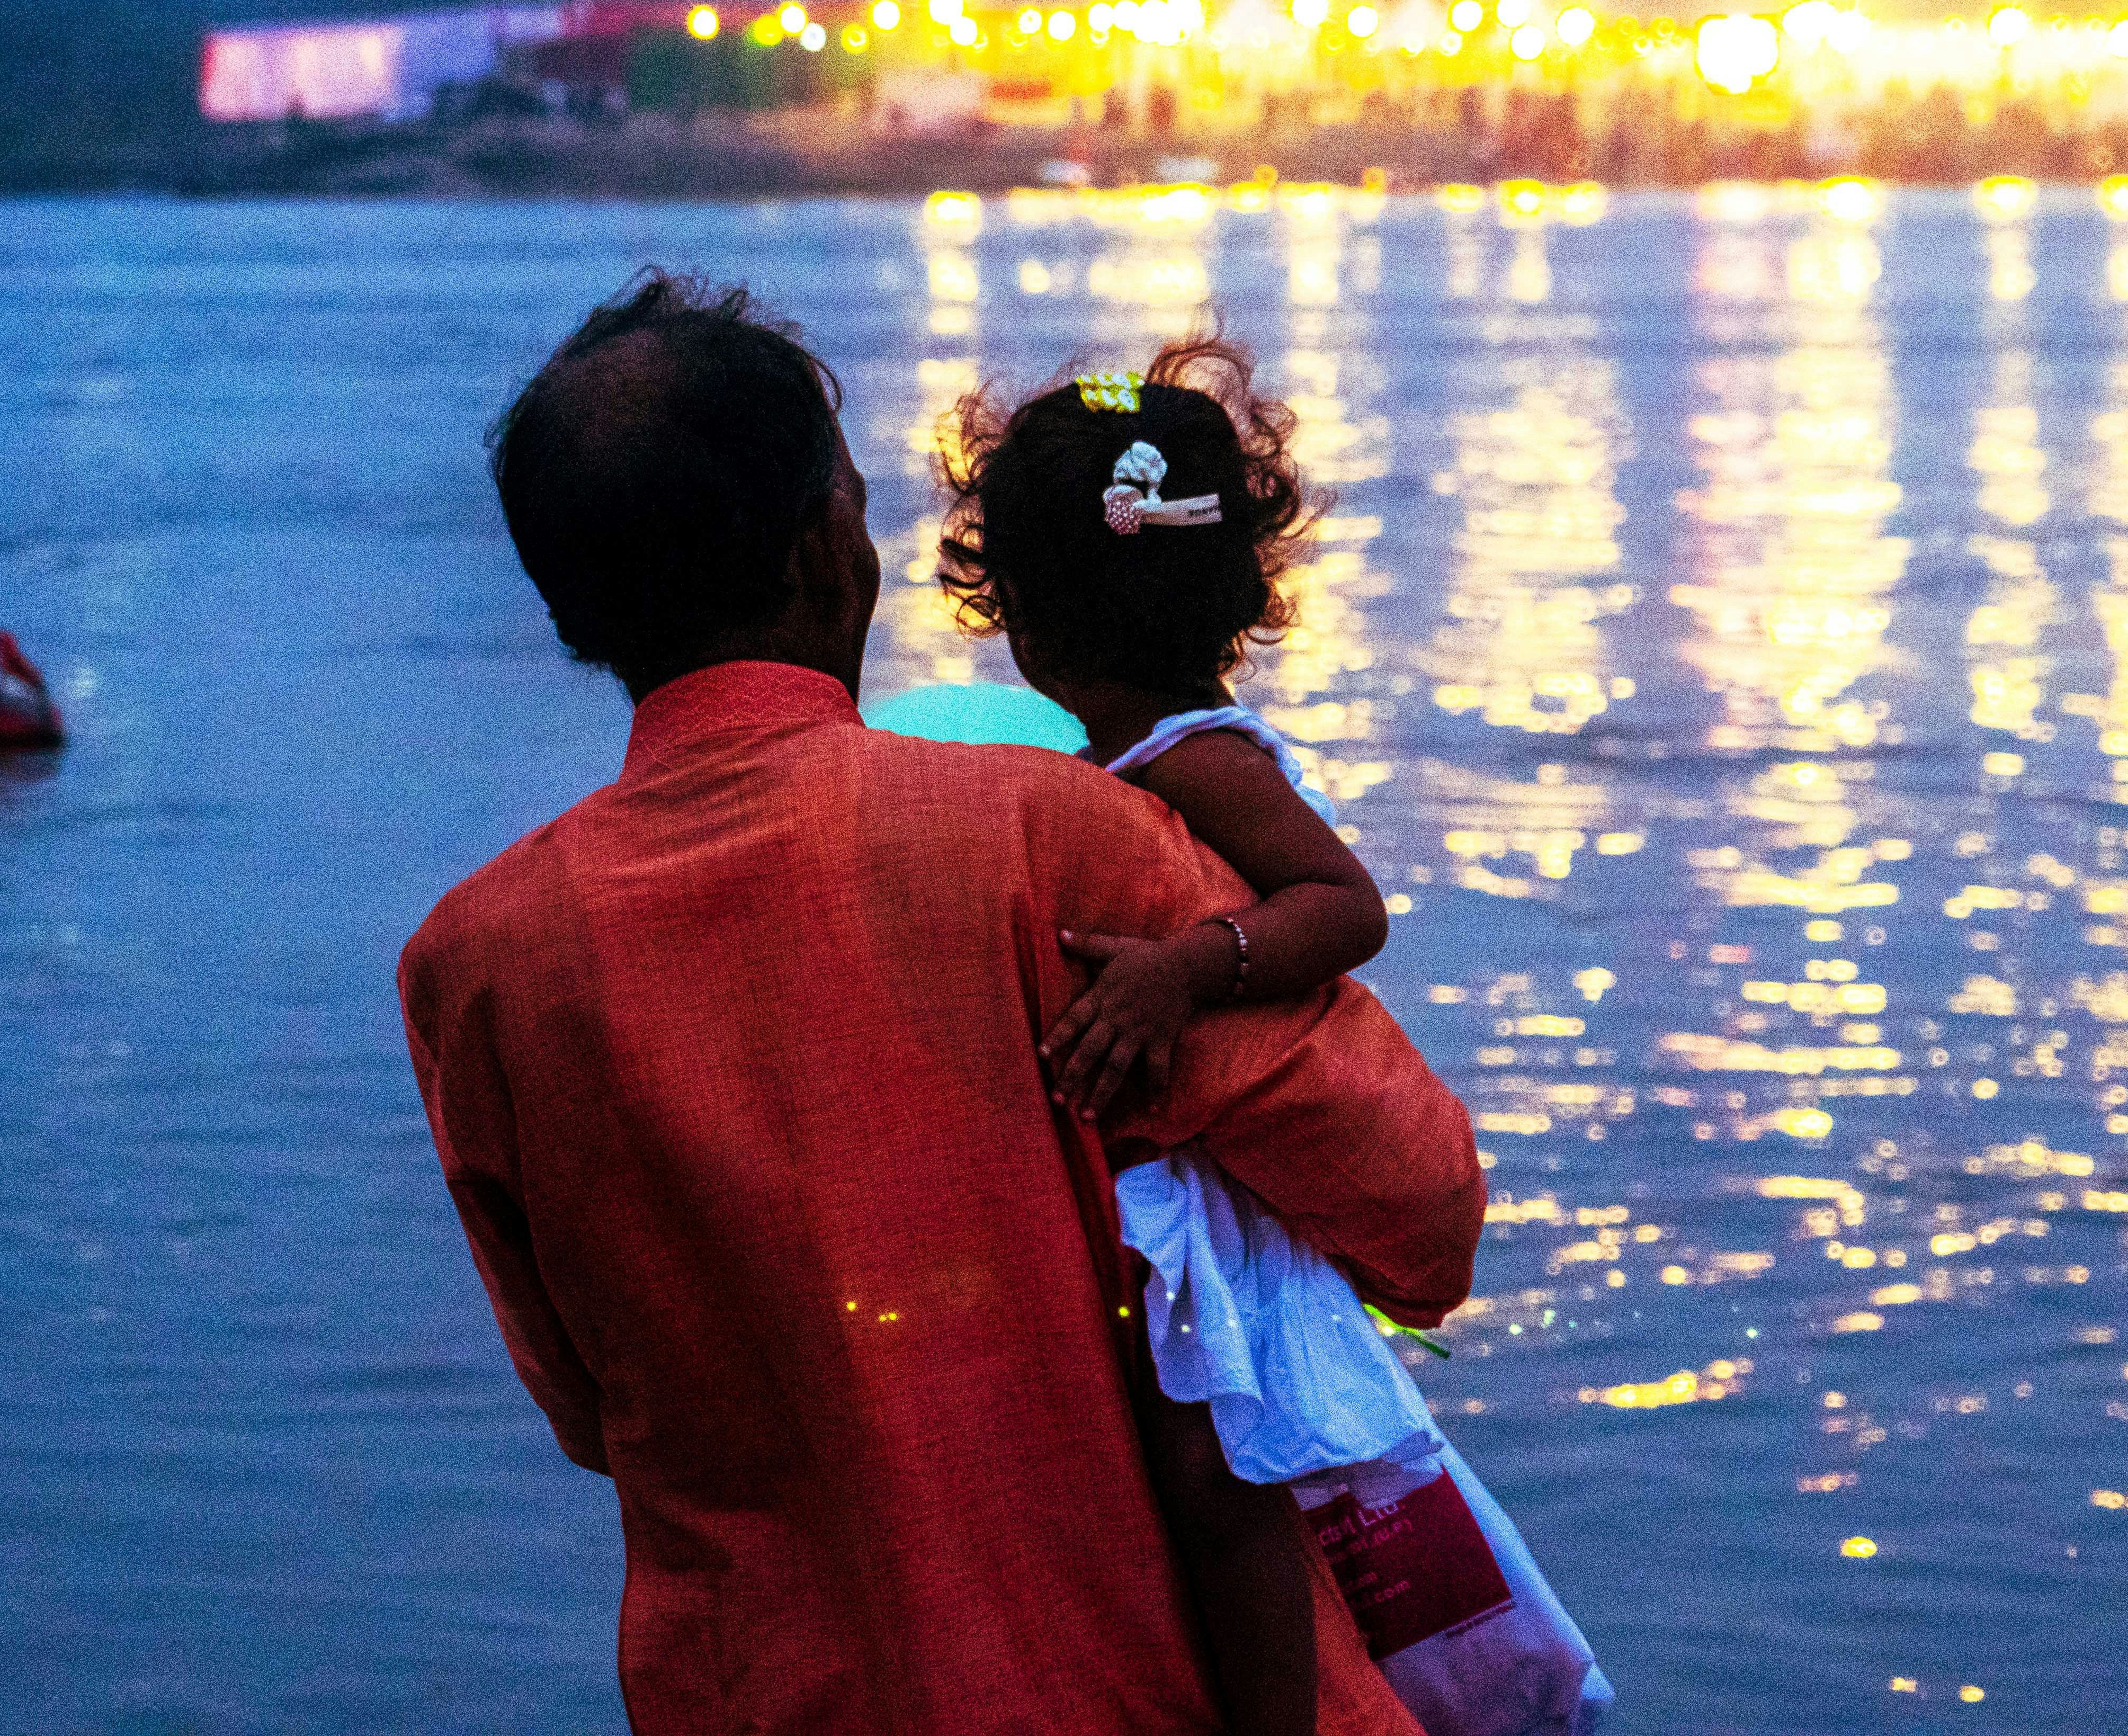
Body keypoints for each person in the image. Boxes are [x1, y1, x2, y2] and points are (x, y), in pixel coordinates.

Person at [397, 274, 1485, 1736]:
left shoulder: (475, 968)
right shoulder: (1054, 838)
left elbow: (596, 1421)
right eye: (853, 505)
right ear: (818, 554)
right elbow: (1420, 1210)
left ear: (572, 603)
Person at [939, 344, 1612, 1736]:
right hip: (1164, 1178)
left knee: (1219, 1468)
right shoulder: (1090, 755)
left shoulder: (1193, 754)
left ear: (1019, 608)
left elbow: (1343, 906)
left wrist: (1188, 971)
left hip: (1207, 1203)